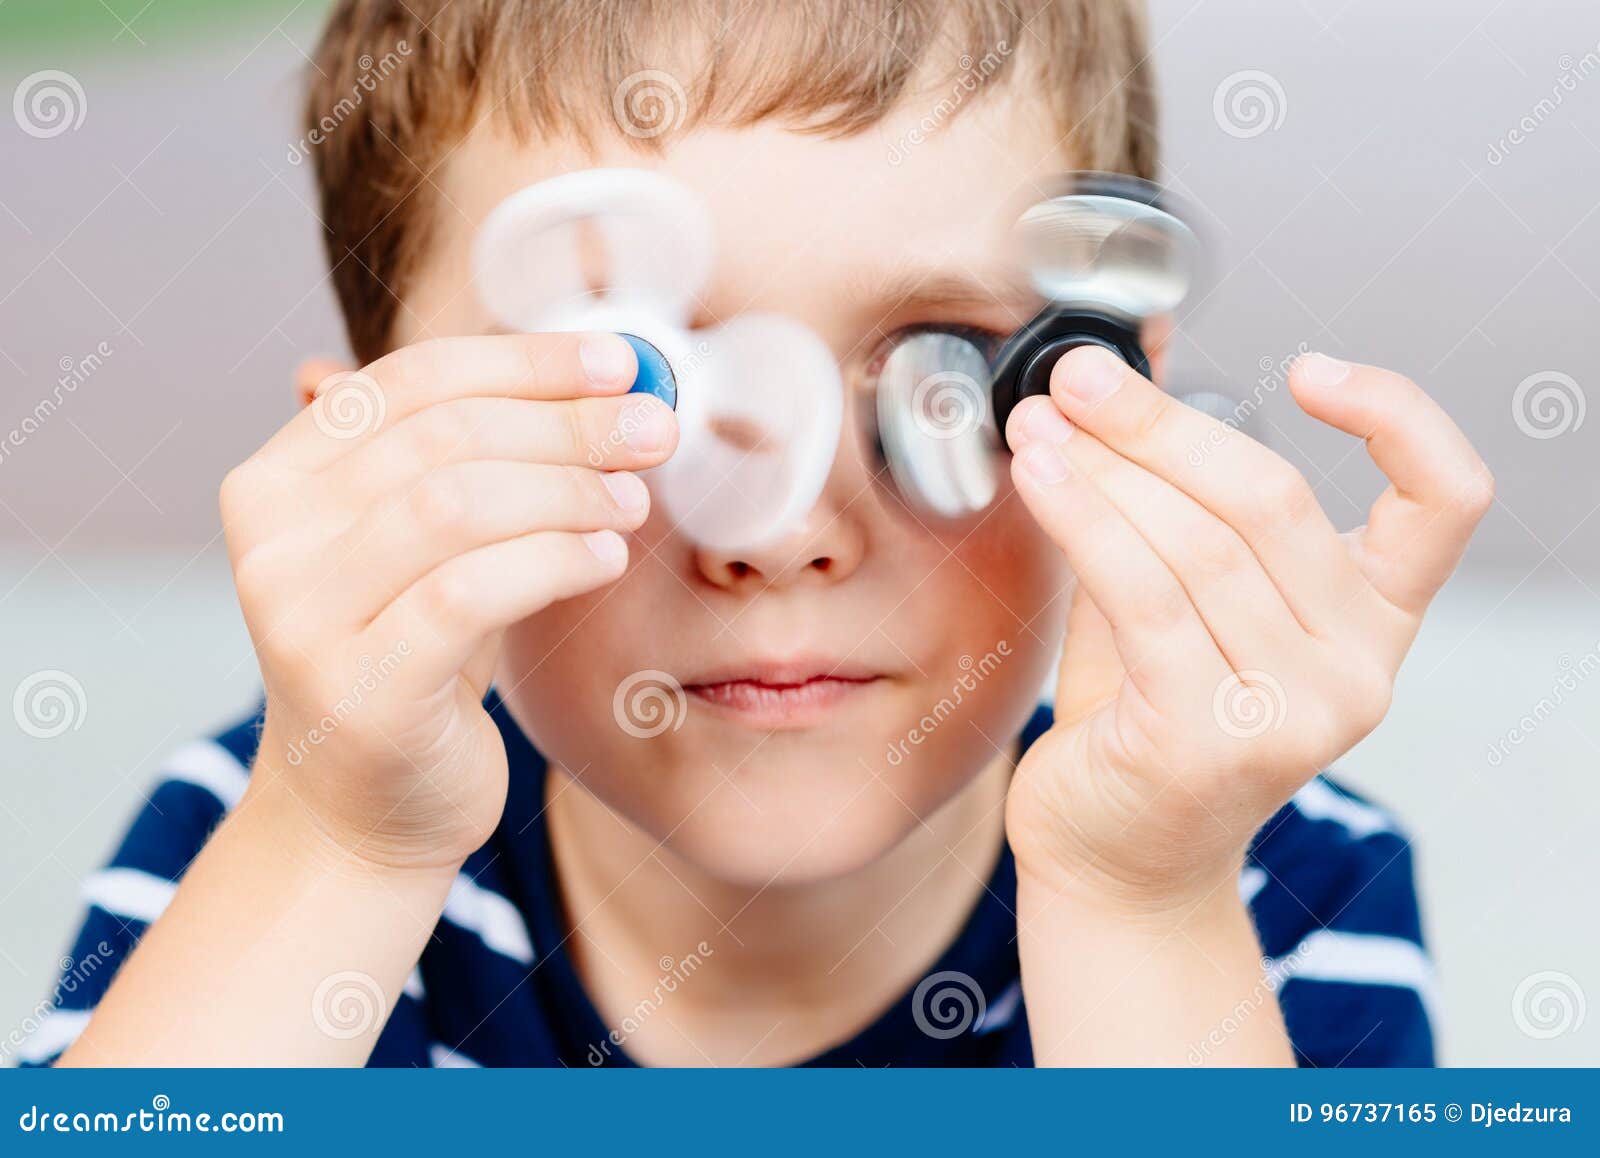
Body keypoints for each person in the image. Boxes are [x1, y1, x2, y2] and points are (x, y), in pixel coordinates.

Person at [23, 0, 1490, 1068]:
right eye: (632, 379)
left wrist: (1138, 895)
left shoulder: (1277, 885)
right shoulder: (271, 820)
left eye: (944, 366)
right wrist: (339, 833)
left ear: (1119, 410)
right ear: (367, 464)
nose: (781, 536)